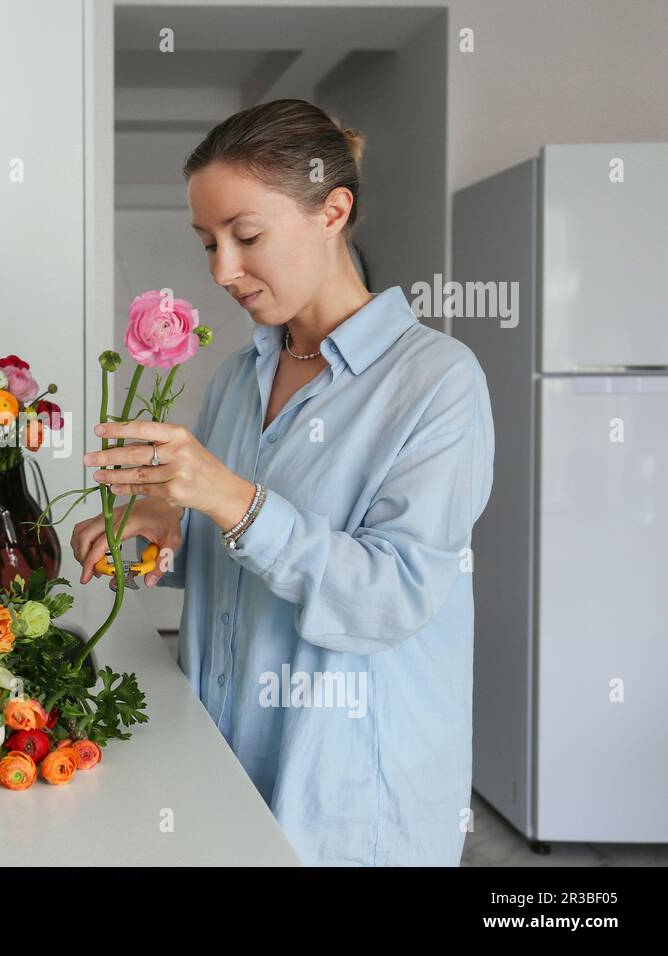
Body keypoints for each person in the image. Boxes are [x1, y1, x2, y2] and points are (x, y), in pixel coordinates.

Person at [72, 99, 494, 866]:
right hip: (225, 764)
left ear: (333, 210)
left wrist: (227, 497)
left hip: (347, 795)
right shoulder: (240, 377)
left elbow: (389, 596)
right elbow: (249, 561)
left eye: (247, 235)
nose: (222, 271)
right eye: (208, 243)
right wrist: (168, 529)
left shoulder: (436, 381)